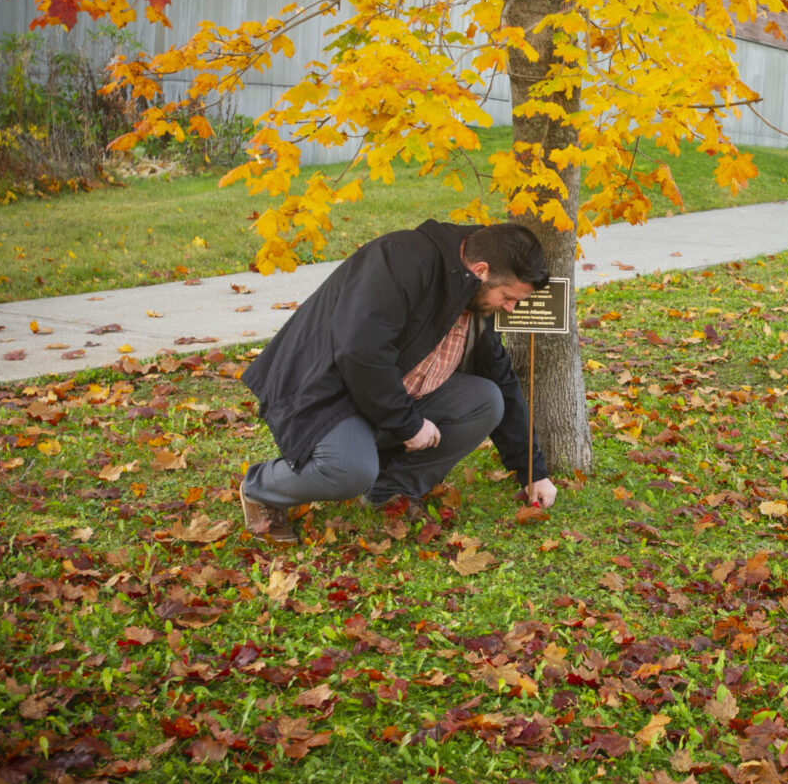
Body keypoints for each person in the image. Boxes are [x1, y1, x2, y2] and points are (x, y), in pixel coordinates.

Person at [238, 219, 558, 542]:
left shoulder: (476, 299)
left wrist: (532, 472)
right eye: (508, 297)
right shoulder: (404, 260)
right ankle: (261, 488)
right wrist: (408, 425)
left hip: (389, 396)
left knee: (487, 400)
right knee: (351, 470)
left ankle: (390, 490)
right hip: (326, 390)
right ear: (481, 270)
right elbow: (361, 353)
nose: (512, 308)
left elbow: (501, 378)